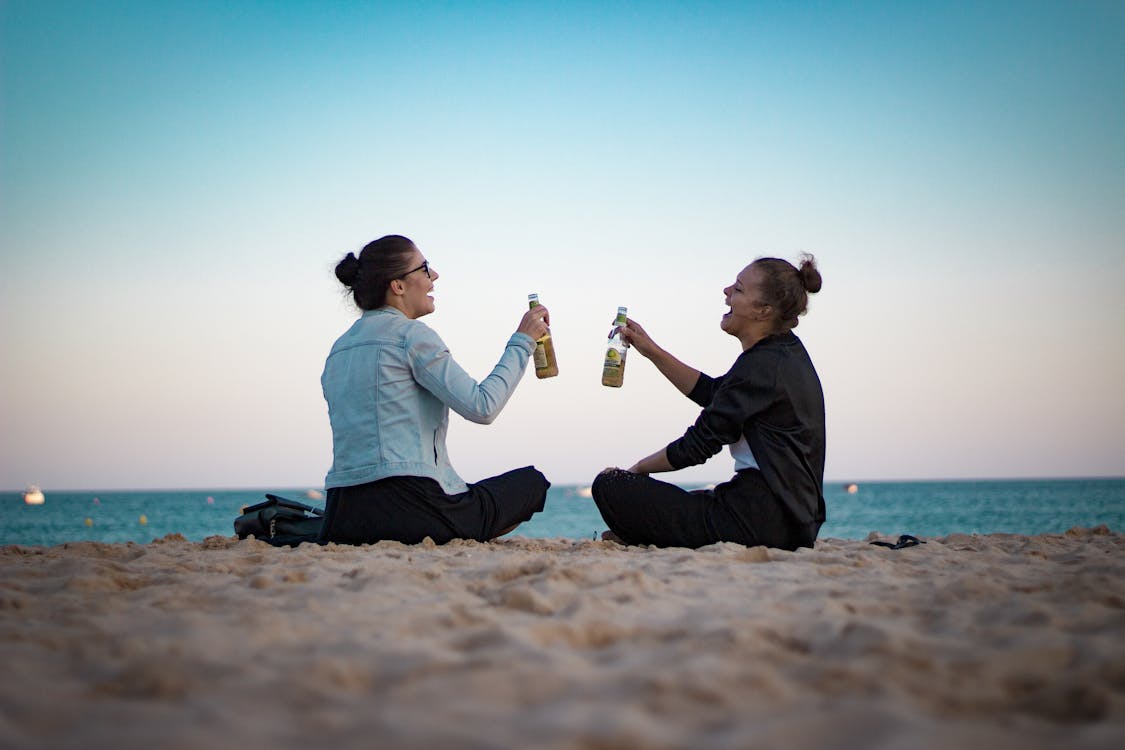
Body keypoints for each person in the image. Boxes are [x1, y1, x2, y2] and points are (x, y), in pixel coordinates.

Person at [318, 234, 551, 545]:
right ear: (397, 286)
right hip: (410, 505)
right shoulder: (411, 335)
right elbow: (482, 407)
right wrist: (522, 341)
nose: (435, 276)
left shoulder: (339, 348)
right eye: (424, 269)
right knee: (532, 484)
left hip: (343, 511)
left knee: (472, 492)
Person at [591, 255, 826, 550]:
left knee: (609, 485)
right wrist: (651, 350)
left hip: (761, 519)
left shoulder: (763, 366)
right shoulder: (783, 354)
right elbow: (716, 394)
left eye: (739, 289)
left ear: (763, 310)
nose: (726, 291)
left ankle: (642, 529)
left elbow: (697, 445)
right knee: (689, 501)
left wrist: (636, 470)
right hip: (790, 520)